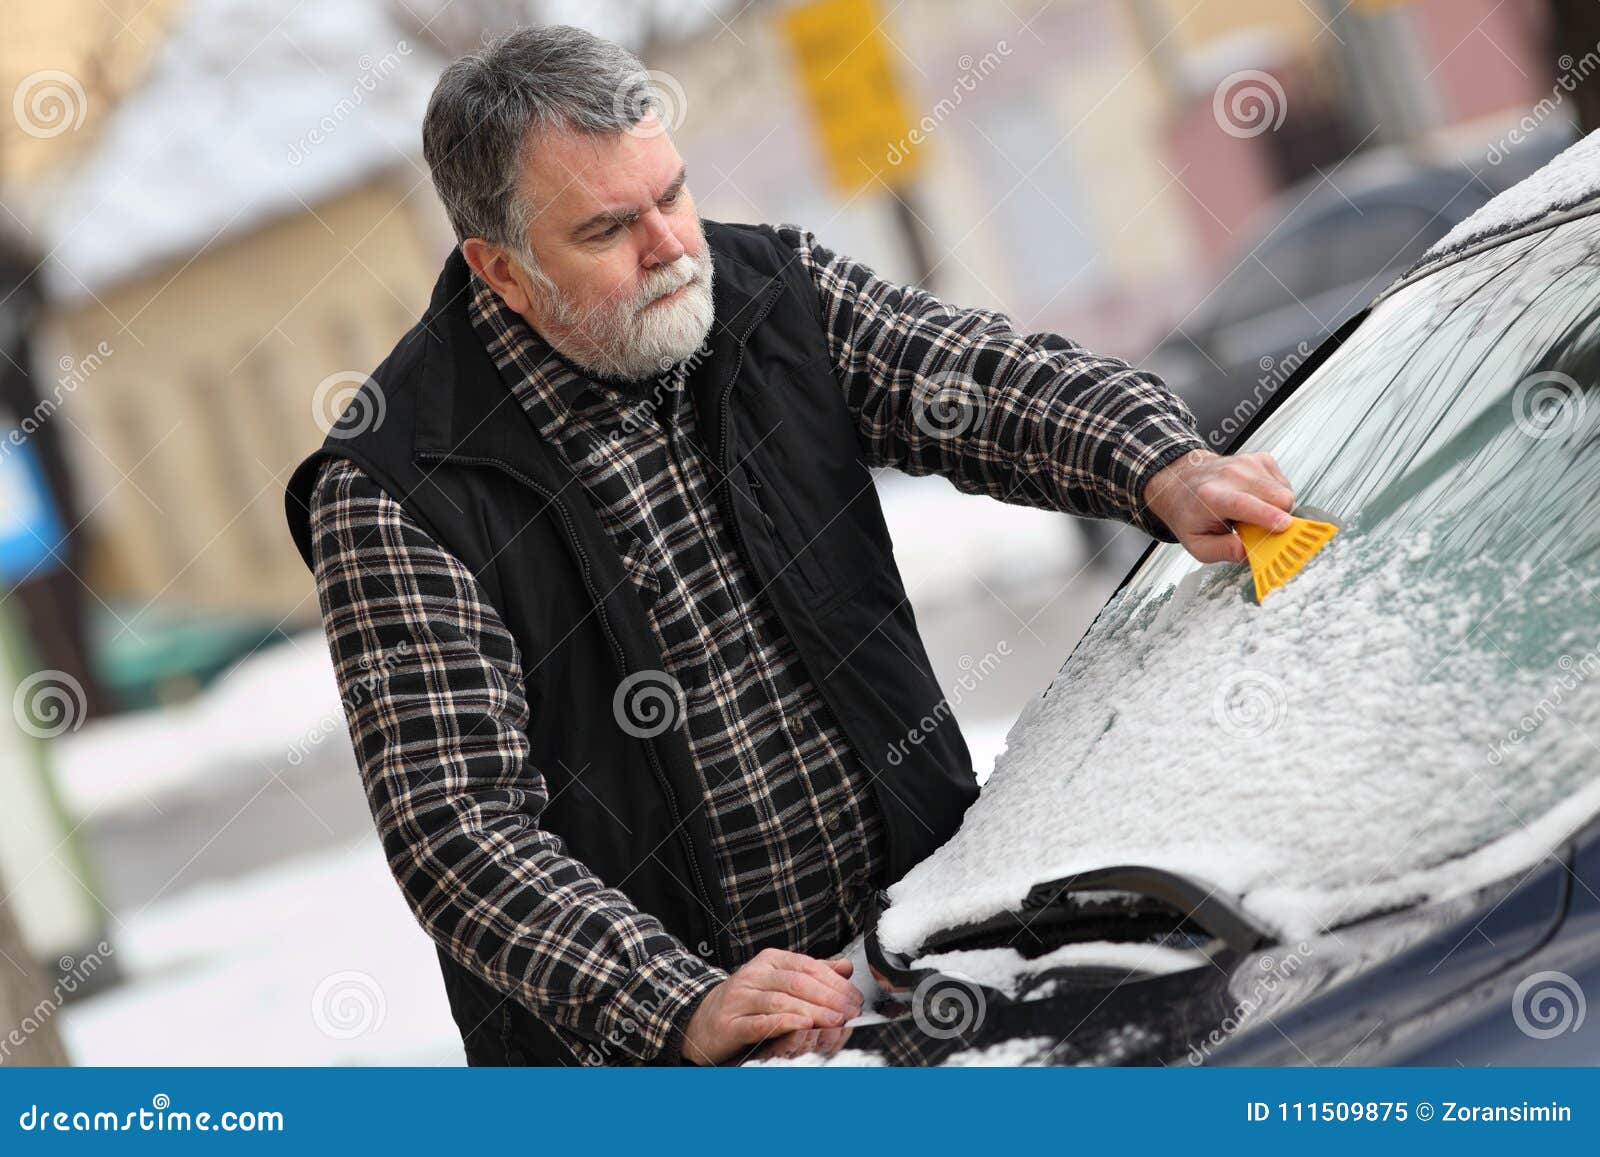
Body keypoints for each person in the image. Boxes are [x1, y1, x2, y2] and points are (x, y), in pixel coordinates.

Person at [283, 24, 1296, 1067]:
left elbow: (974, 379)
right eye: (608, 229)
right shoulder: (395, 491)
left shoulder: (769, 292)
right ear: (501, 269)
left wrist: (1156, 461)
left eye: (671, 194)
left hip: (922, 968)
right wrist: (678, 1003)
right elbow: (457, 828)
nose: (671, 246)